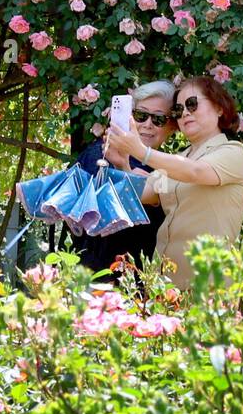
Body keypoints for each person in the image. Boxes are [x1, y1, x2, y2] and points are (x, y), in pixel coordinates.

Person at [106, 76, 243, 290]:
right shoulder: (180, 159)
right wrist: (123, 165)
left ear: (219, 107)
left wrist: (140, 151)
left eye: (192, 104)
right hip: (164, 287)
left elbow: (196, 172)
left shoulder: (233, 152)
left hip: (207, 287)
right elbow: (147, 192)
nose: (185, 113)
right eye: (179, 109)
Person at [72, 80, 175, 280]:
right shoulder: (100, 154)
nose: (147, 125)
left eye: (159, 119)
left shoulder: (170, 168)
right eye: (141, 115)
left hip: (143, 281)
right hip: (97, 275)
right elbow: (95, 217)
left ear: (172, 127)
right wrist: (123, 167)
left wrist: (125, 169)